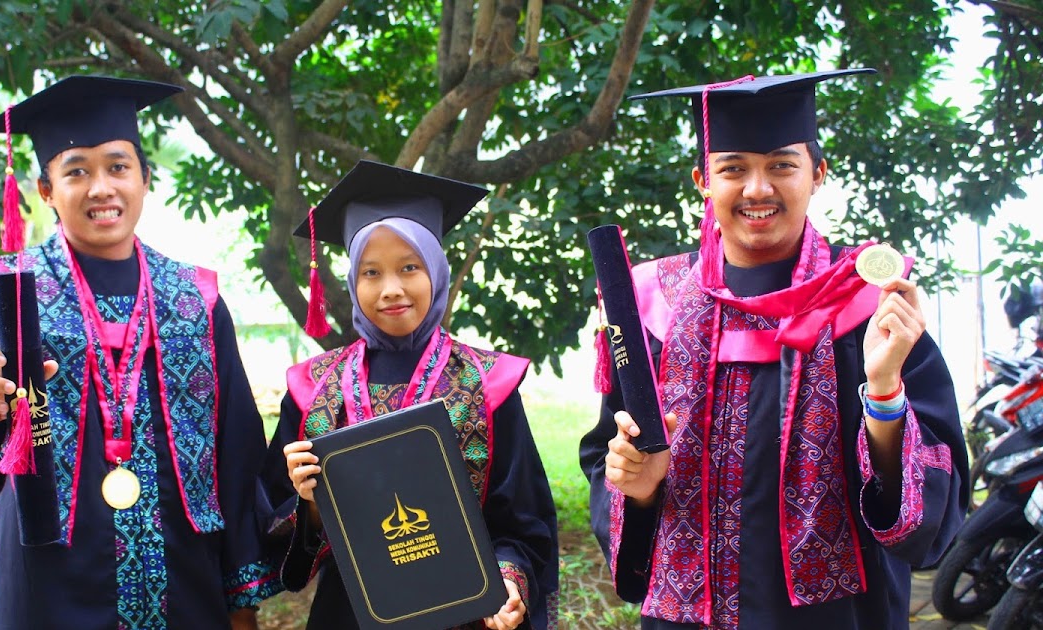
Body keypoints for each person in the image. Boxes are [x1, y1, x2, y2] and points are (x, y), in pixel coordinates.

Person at [579, 70, 969, 629]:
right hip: (686, 615)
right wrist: (635, 491)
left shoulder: (869, 309)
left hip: (836, 615)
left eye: (781, 166)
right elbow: (607, 456)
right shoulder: (650, 308)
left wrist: (884, 394)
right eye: (733, 168)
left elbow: (933, 501)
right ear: (702, 180)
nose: (757, 189)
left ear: (818, 174)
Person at [0, 75, 281, 629]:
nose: (101, 188)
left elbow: (234, 452)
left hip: (185, 572)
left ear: (144, 178)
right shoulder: (5, 290)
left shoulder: (195, 298)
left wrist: (242, 596)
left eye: (118, 166)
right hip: (51, 574)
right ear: (45, 190)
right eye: (76, 171)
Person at [261, 160, 560, 630]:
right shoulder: (314, 391)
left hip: (466, 612)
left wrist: (508, 581)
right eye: (371, 272)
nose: (391, 289)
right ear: (352, 282)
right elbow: (275, 521)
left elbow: (523, 522)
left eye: (409, 267)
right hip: (352, 615)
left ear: (436, 270)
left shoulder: (487, 383)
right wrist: (311, 505)